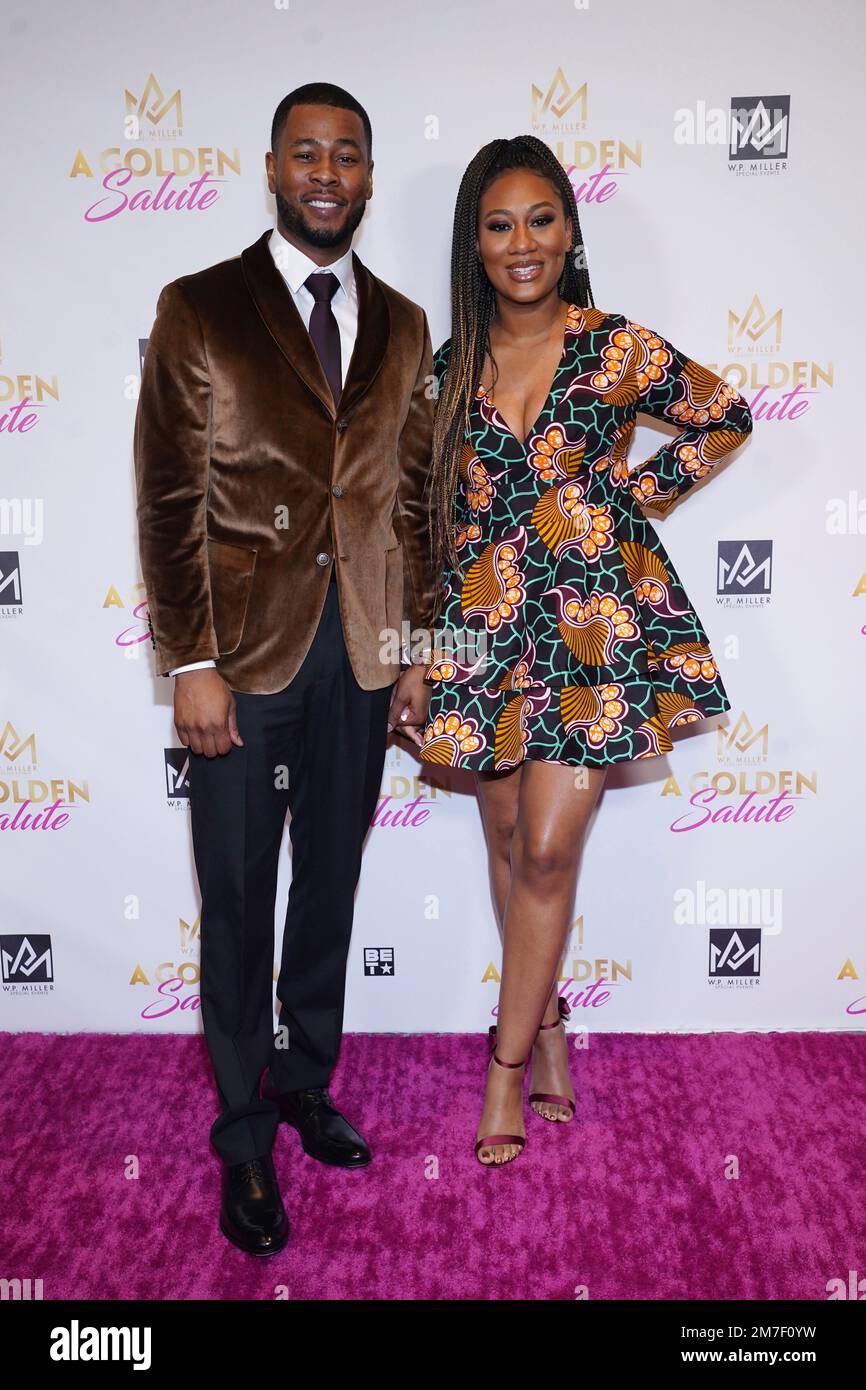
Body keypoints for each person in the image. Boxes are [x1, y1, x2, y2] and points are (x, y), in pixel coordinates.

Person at [408, 135, 753, 1166]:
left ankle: (503, 1067)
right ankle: (548, 1022)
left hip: (587, 629)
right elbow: (426, 525)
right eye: (499, 224)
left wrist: (620, 503)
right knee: (510, 842)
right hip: (478, 631)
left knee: (550, 848)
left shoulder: (611, 346)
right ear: (474, 244)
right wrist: (420, 655)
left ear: (570, 229)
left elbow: (722, 416)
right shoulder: (444, 371)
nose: (523, 243)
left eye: (541, 219)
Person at [133, 83, 436, 1253]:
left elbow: (408, 503)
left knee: (327, 886)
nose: (326, 172)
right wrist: (191, 662)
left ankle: (306, 1075)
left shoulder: (403, 323)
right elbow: (168, 496)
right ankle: (247, 1135)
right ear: (269, 165)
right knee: (241, 897)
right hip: (243, 668)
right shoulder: (200, 306)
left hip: (361, 660)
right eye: (305, 152)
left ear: (365, 174)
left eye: (346, 154)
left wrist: (410, 652)